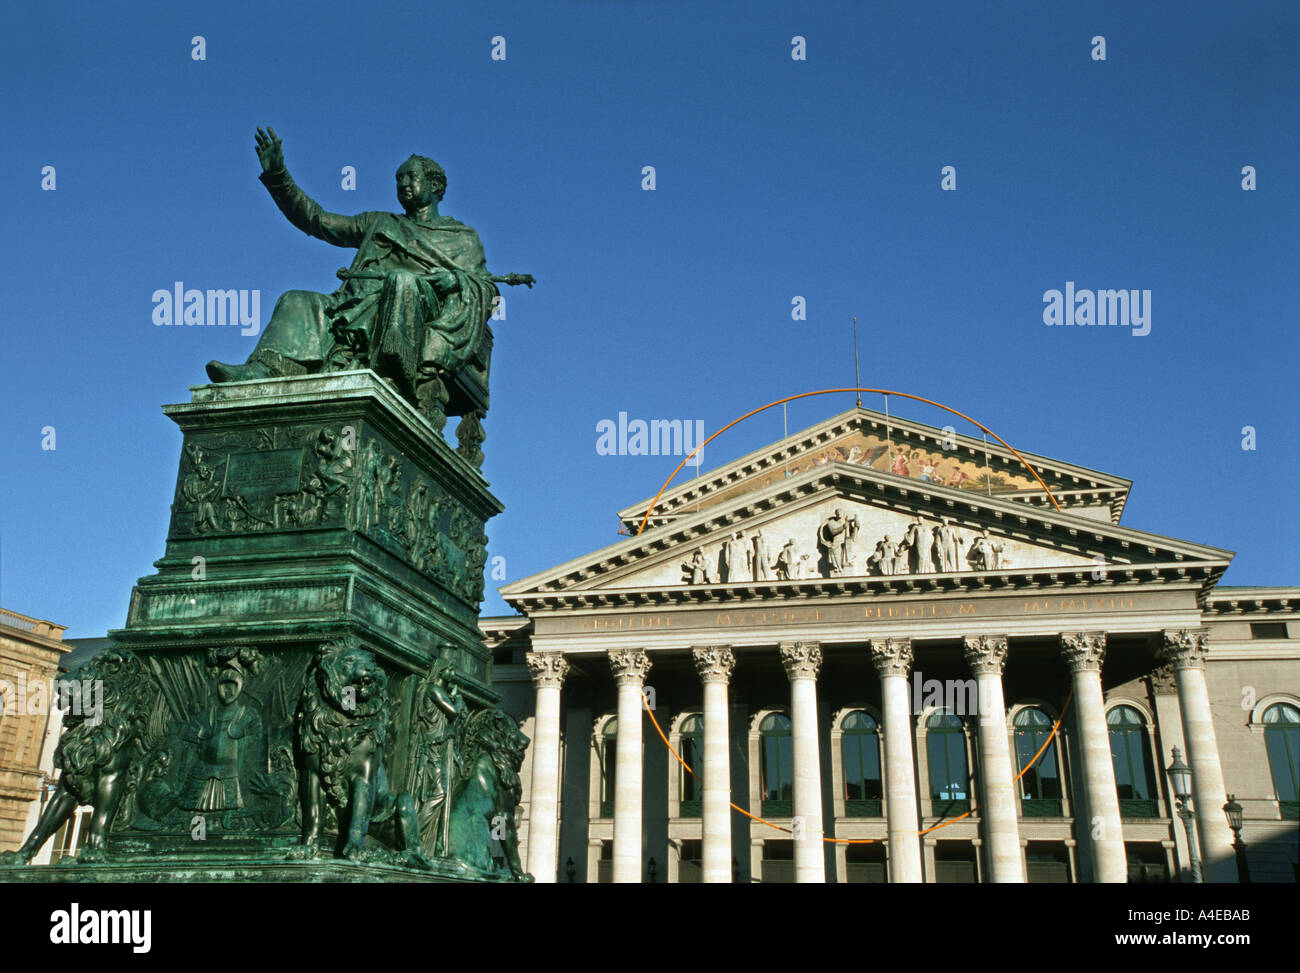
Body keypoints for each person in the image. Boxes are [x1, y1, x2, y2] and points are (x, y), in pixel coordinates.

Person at [206, 127, 498, 427]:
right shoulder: (380, 222)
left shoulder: (463, 238)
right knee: (296, 299)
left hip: (419, 313)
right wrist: (279, 177)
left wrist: (457, 282)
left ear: (435, 185)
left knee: (402, 282)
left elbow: (486, 290)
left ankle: (395, 375)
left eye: (411, 176)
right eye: (398, 179)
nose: (403, 184)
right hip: (358, 304)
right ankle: (262, 372)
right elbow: (318, 220)